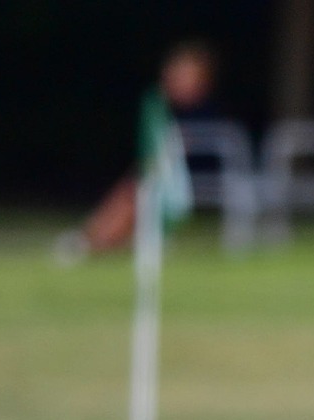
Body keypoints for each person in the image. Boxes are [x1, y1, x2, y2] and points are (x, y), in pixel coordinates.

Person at [56, 42, 218, 263]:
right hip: (160, 177)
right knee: (131, 188)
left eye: (186, 76)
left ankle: (92, 243)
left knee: (135, 193)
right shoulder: (159, 105)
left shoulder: (202, 116)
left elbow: (188, 155)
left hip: (186, 186)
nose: (178, 80)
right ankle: (91, 238)